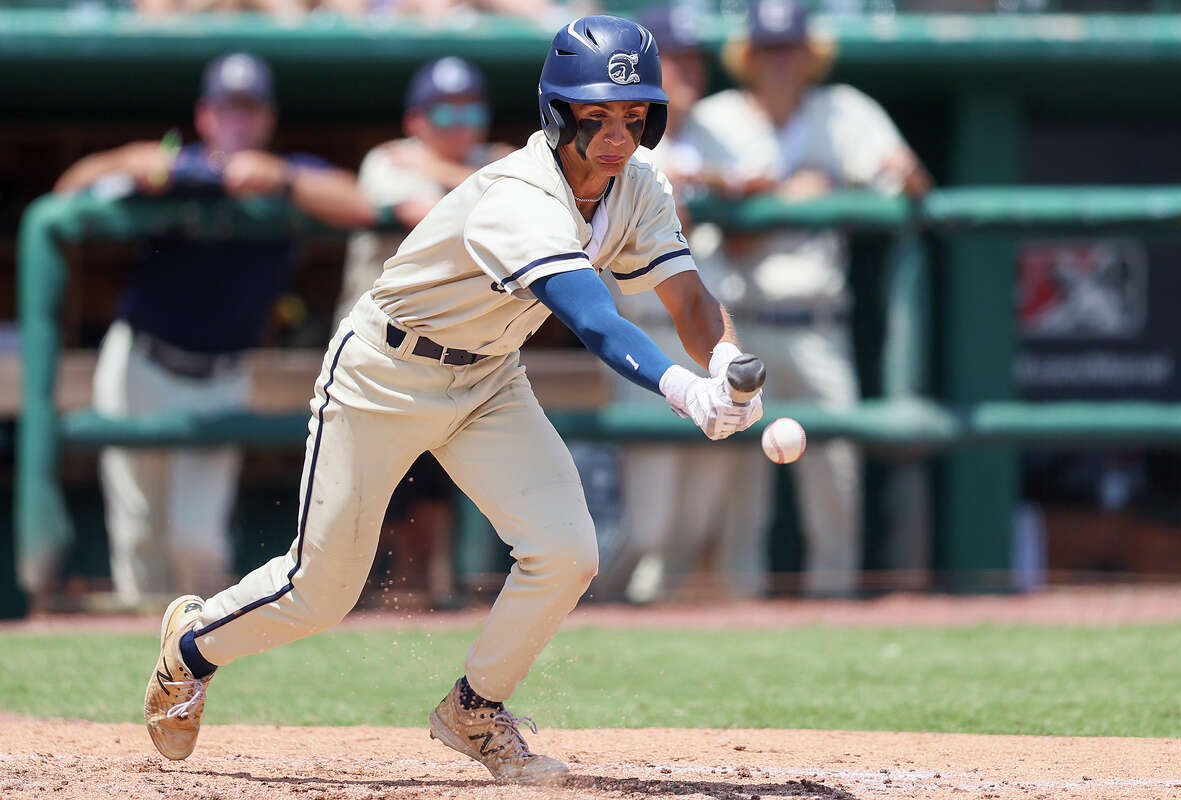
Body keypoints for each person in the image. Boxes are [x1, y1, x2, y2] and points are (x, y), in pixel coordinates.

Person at [142, 15, 763, 787]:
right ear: (558, 113)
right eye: (597, 116)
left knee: (567, 552)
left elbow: (689, 298)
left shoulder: (639, 186)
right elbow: (593, 318)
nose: (616, 136)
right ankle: (191, 648)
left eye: (633, 117)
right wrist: (684, 389)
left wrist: (730, 365)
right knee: (321, 590)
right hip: (384, 372)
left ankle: (475, 707)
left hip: (487, 376)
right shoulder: (518, 197)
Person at [54, 53, 372, 609]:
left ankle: (196, 660)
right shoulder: (175, 165)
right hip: (141, 364)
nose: (238, 121)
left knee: (197, 541)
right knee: (139, 535)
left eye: (250, 109)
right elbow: (64, 197)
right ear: (205, 114)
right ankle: (139, 671)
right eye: (228, 108)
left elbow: (362, 205)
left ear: (267, 117)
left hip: (221, 375)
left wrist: (285, 178)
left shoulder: (287, 171)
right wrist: (130, 161)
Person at [686, 0, 932, 596]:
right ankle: (743, 615)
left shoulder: (843, 110)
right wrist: (798, 195)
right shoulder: (717, 119)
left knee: (836, 483)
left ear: (809, 52)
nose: (780, 61)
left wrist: (896, 172)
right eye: (768, 48)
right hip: (744, 325)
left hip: (820, 323)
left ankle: (835, 608)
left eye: (790, 47)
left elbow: (916, 188)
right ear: (747, 55)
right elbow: (724, 233)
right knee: (742, 494)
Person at [595, 4, 766, 603]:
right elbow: (665, 193)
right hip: (646, 335)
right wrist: (723, 181)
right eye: (675, 58)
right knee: (650, 526)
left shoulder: (720, 130)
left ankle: (650, 628)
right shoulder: (626, 138)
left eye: (695, 57)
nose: (689, 69)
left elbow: (761, 181)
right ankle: (591, 612)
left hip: (712, 333)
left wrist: (737, 181)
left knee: (695, 523)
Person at [337, 56, 511, 609]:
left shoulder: (490, 164)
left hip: (454, 359)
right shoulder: (385, 162)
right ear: (416, 119)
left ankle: (418, 612)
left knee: (433, 501)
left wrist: (490, 173)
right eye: (443, 110)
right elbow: (440, 215)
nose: (459, 123)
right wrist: (495, 176)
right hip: (376, 358)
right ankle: (360, 611)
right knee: (366, 504)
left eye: (470, 110)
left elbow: (511, 201)